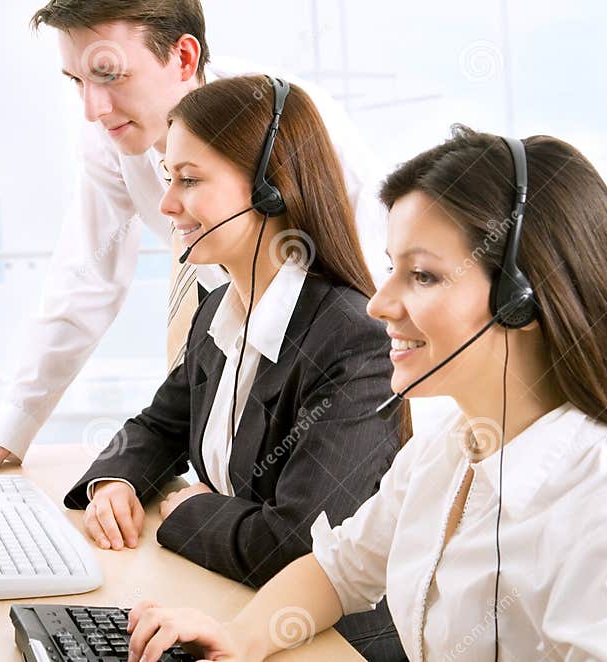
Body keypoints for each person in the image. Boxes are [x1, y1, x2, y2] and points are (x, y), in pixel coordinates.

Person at [123, 126, 607, 662]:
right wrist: (237, 638)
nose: (378, 304)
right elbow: (339, 569)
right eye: (392, 268)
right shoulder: (449, 450)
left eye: (422, 276)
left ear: (521, 298)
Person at [0, 0, 382, 476]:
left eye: (109, 75)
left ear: (183, 57)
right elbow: (85, 279)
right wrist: (7, 434)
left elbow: (370, 292)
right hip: (224, 311)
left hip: (336, 344)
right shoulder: (110, 137)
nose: (93, 108)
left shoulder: (287, 125)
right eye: (76, 82)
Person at [64, 74, 409, 660]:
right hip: (226, 603)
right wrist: (116, 480)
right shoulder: (222, 308)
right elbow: (161, 424)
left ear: (271, 190)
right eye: (168, 178)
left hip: (325, 643)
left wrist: (188, 512)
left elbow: (298, 545)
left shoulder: (354, 341)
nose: (167, 203)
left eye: (190, 181)